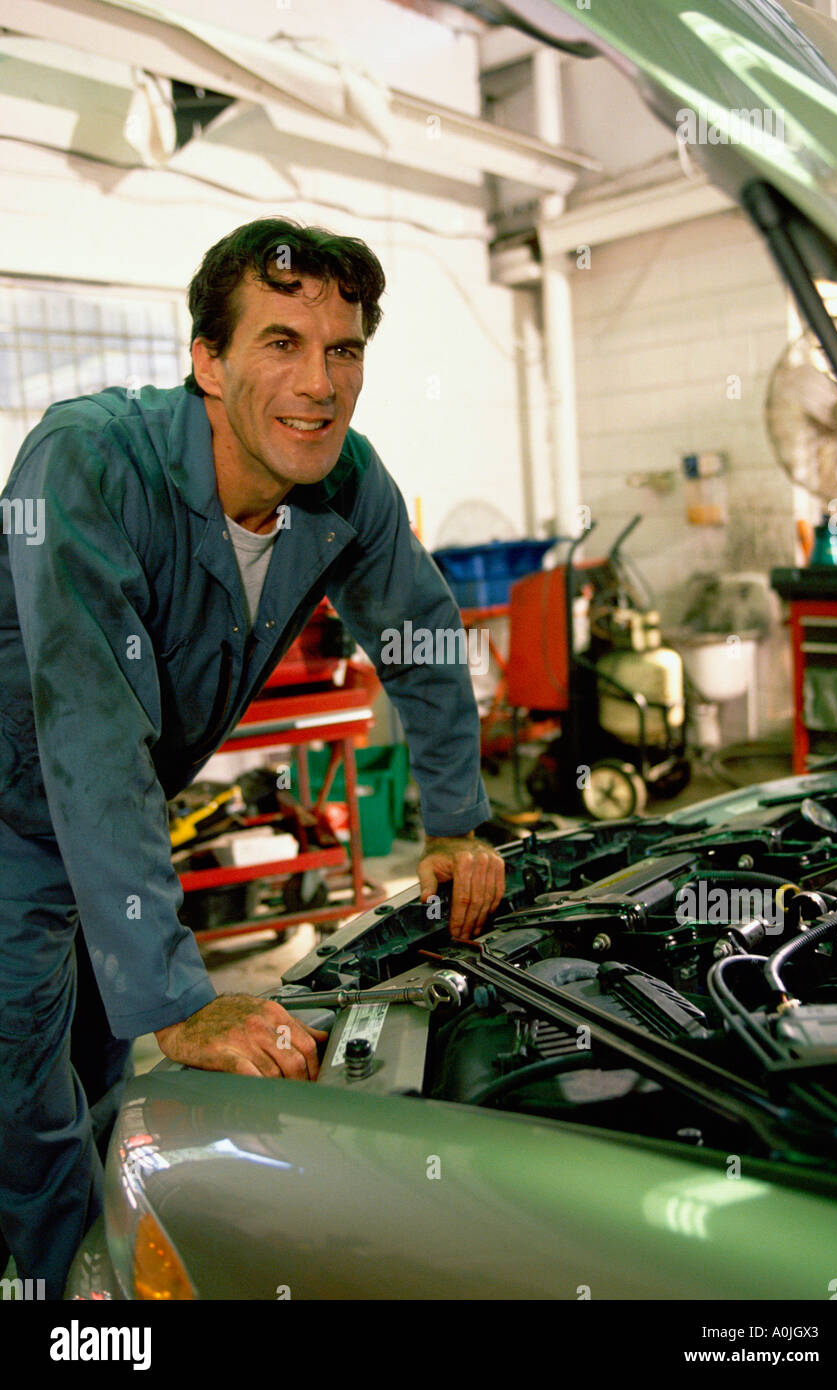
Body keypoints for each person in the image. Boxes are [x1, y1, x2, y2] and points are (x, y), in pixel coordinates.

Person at [0, 217, 505, 1297]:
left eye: (343, 348)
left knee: (98, 1072)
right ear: (207, 359)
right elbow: (89, 725)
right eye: (280, 342)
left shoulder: (342, 485)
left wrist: (459, 818)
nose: (317, 383)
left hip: (108, 817)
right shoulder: (86, 459)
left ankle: (114, 1255)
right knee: (21, 1092)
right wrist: (181, 999)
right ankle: (72, 1309)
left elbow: (417, 632)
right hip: (13, 818)